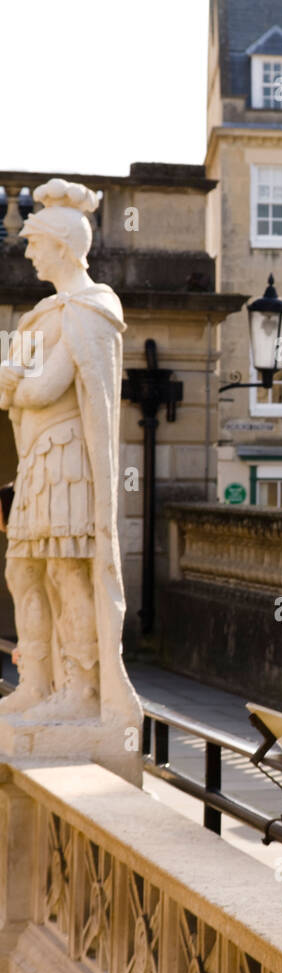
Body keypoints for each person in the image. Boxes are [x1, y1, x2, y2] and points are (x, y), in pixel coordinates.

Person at [0, 178, 139, 731]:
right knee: (22, 571)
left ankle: (82, 689)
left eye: (34, 243)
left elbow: (39, 388)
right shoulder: (43, 314)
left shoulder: (91, 310)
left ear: (60, 244)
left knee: (64, 572)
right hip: (38, 465)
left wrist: (12, 378)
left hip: (69, 464)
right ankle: (36, 681)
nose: (27, 251)